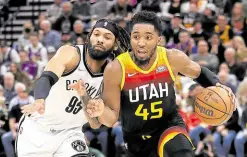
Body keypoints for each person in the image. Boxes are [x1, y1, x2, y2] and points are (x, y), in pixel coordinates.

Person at [72, 11, 236, 157]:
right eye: (136, 36)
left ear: (159, 40)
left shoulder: (172, 58)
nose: (141, 43)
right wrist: (100, 110)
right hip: (137, 139)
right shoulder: (116, 68)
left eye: (148, 37)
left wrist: (218, 85)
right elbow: (110, 119)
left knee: (182, 152)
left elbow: (199, 72)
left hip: (169, 126)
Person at [17, 19, 130, 157]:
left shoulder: (111, 74)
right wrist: (40, 99)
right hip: (38, 130)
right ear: (89, 38)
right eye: (96, 34)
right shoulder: (71, 54)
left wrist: (92, 104)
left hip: (70, 133)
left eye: (107, 37)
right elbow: (46, 77)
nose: (100, 39)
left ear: (114, 45)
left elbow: (97, 123)